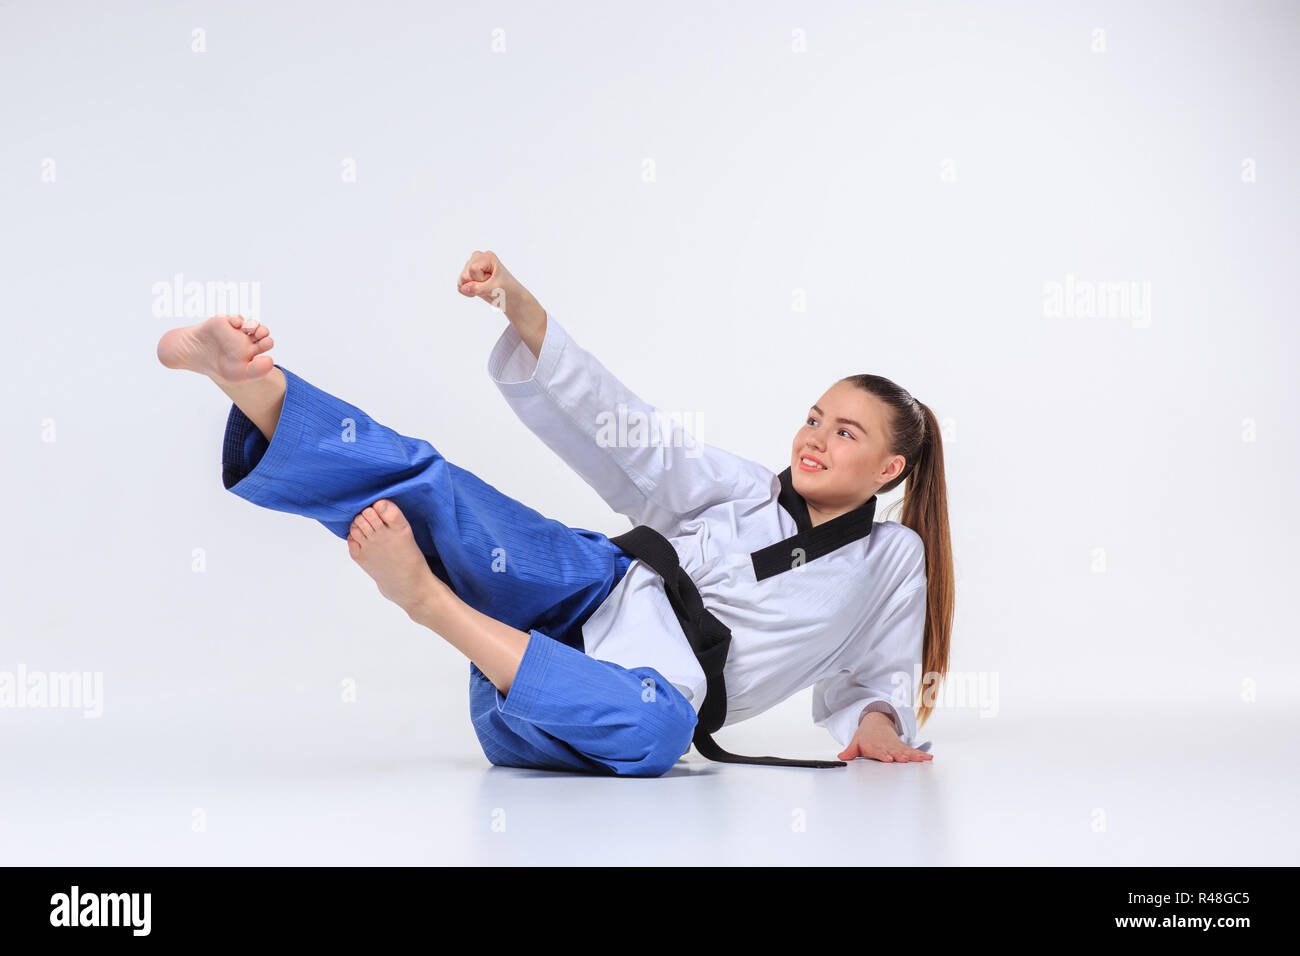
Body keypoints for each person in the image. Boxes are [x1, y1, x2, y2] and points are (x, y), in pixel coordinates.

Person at [155, 251, 952, 777]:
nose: (815, 439)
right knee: (438, 485)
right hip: (583, 588)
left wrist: (878, 725)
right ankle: (244, 381)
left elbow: (875, 667)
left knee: (661, 735)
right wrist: (525, 311)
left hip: (574, 702)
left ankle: (426, 601)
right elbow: (637, 436)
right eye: (814, 417)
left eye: (845, 433)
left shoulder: (891, 557)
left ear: (889, 469)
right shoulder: (746, 489)